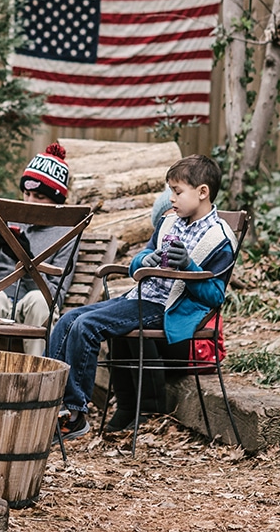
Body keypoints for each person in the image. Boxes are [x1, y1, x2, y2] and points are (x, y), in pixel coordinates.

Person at [46, 154, 236, 442]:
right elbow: (138, 261)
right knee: (69, 319)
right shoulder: (169, 222)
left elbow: (214, 296)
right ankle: (48, 404)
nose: (170, 198)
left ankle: (74, 413)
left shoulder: (219, 238)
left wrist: (189, 266)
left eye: (177, 191)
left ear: (202, 192)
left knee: (87, 326)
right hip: (140, 296)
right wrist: (150, 258)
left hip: (169, 308)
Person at [0, 143, 80, 358]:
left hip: (33, 302)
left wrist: (28, 262)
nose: (30, 202)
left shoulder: (66, 232)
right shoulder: (2, 216)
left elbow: (55, 295)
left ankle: (42, 383)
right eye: (26, 194)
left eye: (39, 197)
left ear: (57, 200)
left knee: (40, 303)